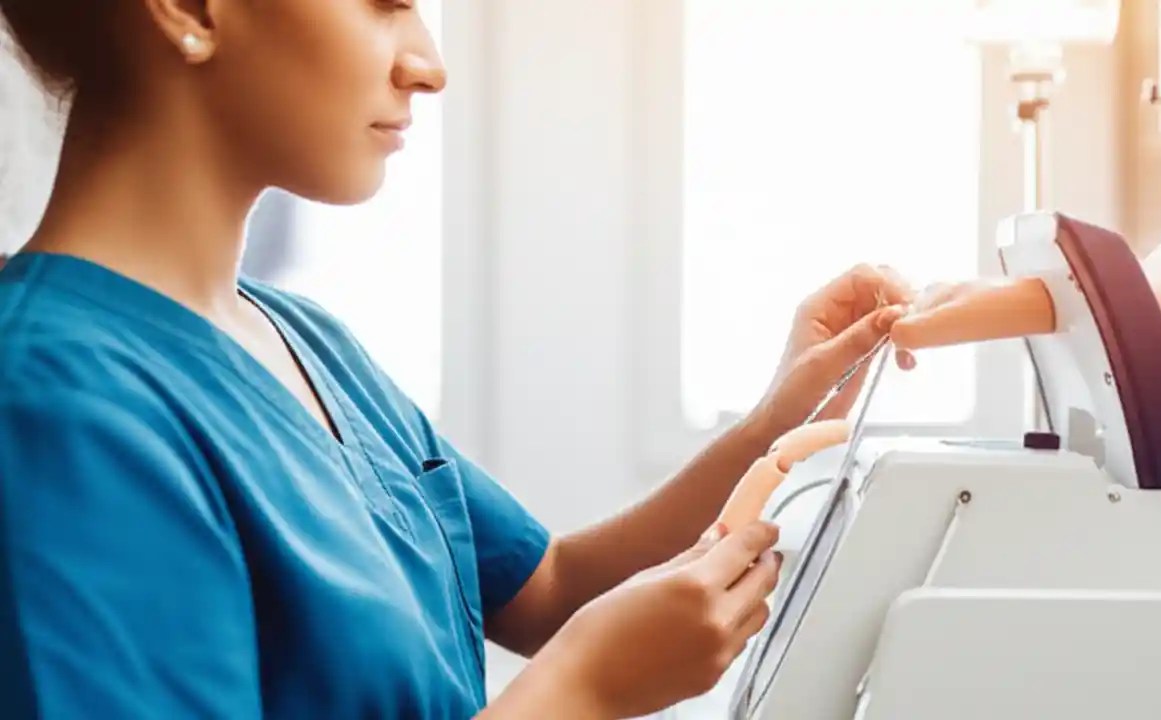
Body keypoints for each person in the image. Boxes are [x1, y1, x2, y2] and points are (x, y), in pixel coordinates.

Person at [0, 2, 914, 718]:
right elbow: (571, 656)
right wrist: (581, 696)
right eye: (385, 2)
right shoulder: (54, 403)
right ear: (191, 8)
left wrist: (776, 423)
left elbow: (549, 586)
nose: (429, 65)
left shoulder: (304, 341)